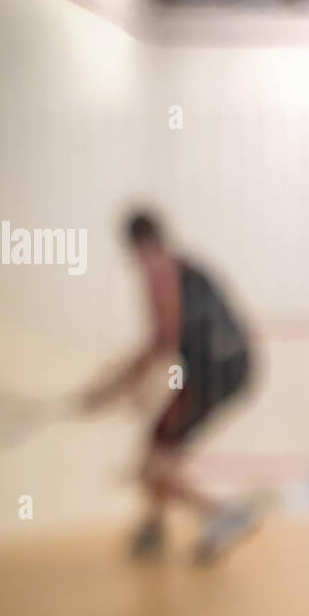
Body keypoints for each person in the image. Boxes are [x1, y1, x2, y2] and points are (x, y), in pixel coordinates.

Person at [79, 211, 259, 564]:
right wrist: (133, 386)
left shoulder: (159, 268)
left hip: (214, 371)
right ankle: (153, 529)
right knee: (157, 445)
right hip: (231, 366)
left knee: (152, 465)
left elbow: (163, 338)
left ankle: (224, 514)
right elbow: (172, 340)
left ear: (136, 245)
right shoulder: (185, 265)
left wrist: (111, 390)